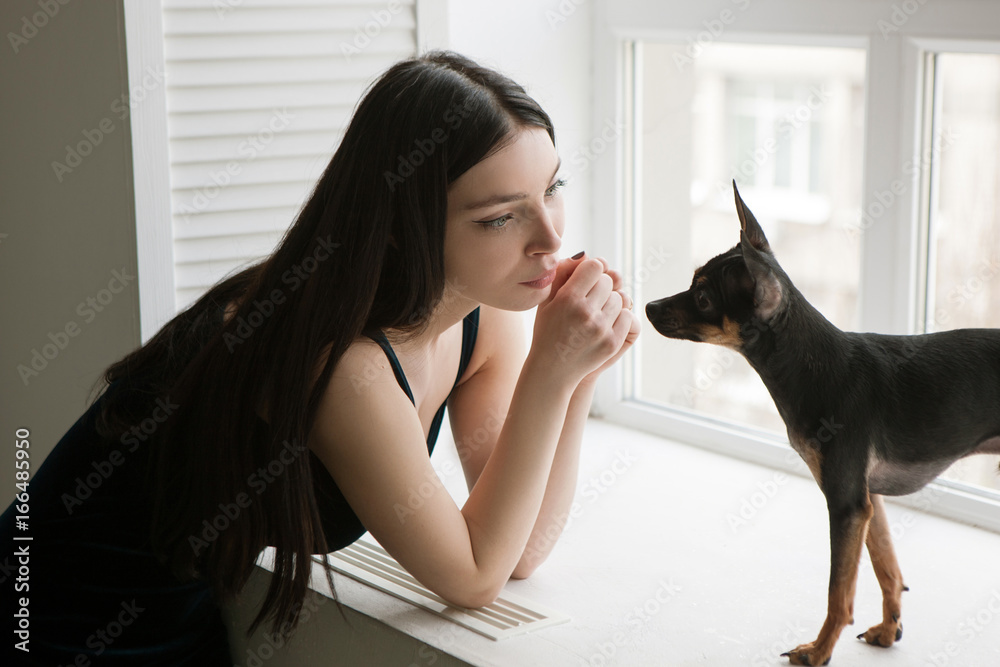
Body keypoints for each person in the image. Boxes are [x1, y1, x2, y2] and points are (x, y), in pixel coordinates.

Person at [1, 50, 640, 665]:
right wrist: (551, 371)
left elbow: (519, 548)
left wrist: (577, 372)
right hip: (46, 617)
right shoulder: (345, 366)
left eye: (552, 187)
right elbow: (473, 575)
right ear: (402, 225)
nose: (551, 236)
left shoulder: (484, 314)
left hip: (180, 617)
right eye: (499, 218)